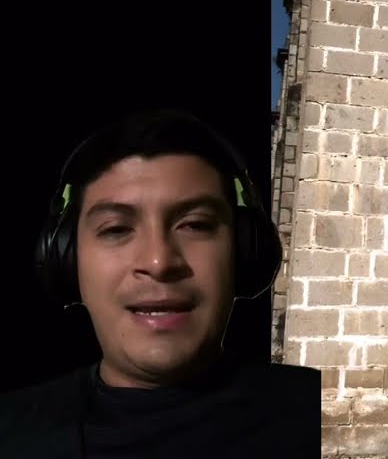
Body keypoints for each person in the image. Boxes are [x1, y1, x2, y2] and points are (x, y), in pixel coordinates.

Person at [0, 109, 319, 458]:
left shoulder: (313, 411)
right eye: (116, 229)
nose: (159, 262)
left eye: (195, 225)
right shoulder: (12, 429)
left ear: (245, 249)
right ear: (67, 257)